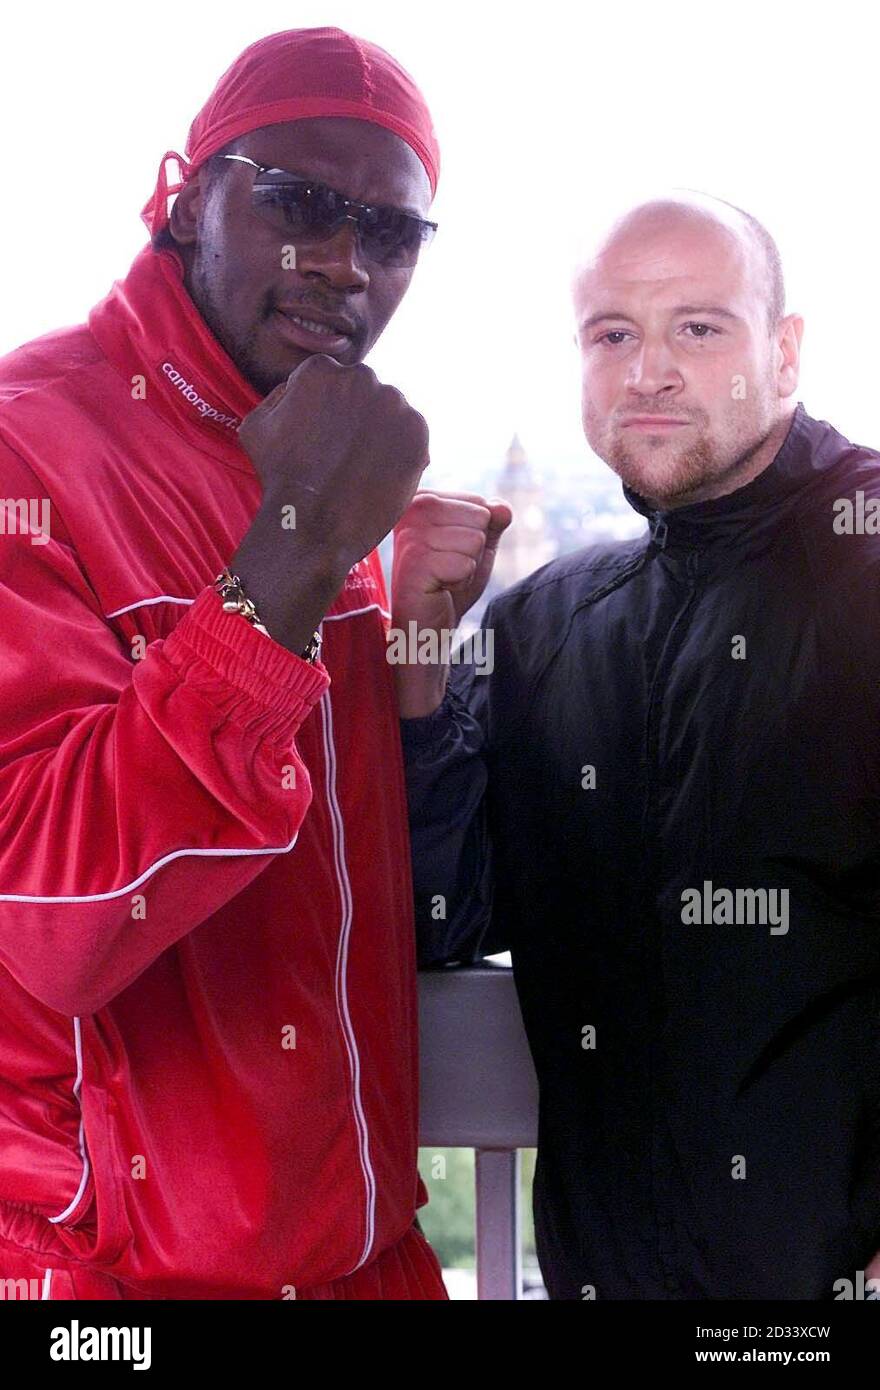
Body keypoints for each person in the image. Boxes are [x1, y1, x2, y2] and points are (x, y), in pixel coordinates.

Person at [0, 25, 470, 1301]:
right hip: (111, 1285)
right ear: (190, 191)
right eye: (301, 203)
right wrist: (295, 554)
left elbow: (334, 887)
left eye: (392, 232)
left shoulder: (320, 466)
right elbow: (51, 925)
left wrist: (417, 670)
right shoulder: (26, 449)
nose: (342, 262)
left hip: (361, 1246)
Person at [396, 192, 880, 1299]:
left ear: (786, 350)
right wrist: (417, 642)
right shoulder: (547, 622)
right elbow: (443, 917)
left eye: (699, 329)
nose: (648, 370)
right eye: (613, 334)